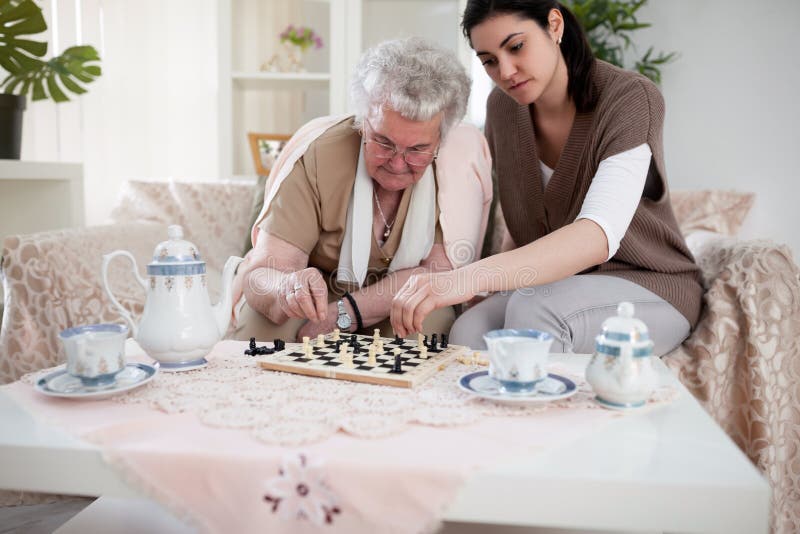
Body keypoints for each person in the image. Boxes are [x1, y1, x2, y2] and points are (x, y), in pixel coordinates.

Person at [390, 1, 703, 355]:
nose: (506, 70)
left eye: (516, 46)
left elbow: (596, 235)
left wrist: (464, 280)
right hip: (559, 285)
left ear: (554, 26)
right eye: (489, 60)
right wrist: (491, 292)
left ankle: (545, 413)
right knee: (469, 329)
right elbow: (522, 226)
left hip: (651, 285)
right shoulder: (503, 108)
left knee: (535, 312)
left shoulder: (629, 98)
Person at [232, 37, 493, 342]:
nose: (397, 163)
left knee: (424, 327)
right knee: (261, 333)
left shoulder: (461, 158)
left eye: (418, 149)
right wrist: (286, 289)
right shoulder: (317, 154)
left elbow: (439, 275)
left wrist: (345, 314)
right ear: (363, 120)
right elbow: (265, 270)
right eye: (383, 141)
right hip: (314, 295)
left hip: (406, 296)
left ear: (442, 137)